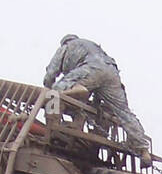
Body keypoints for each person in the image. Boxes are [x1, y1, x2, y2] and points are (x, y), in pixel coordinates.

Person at [43, 34, 152, 165]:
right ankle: (142, 148)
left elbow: (50, 73)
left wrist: (48, 89)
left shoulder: (66, 47)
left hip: (90, 70)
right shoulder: (93, 46)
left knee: (55, 92)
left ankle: (53, 128)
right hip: (111, 72)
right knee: (123, 112)